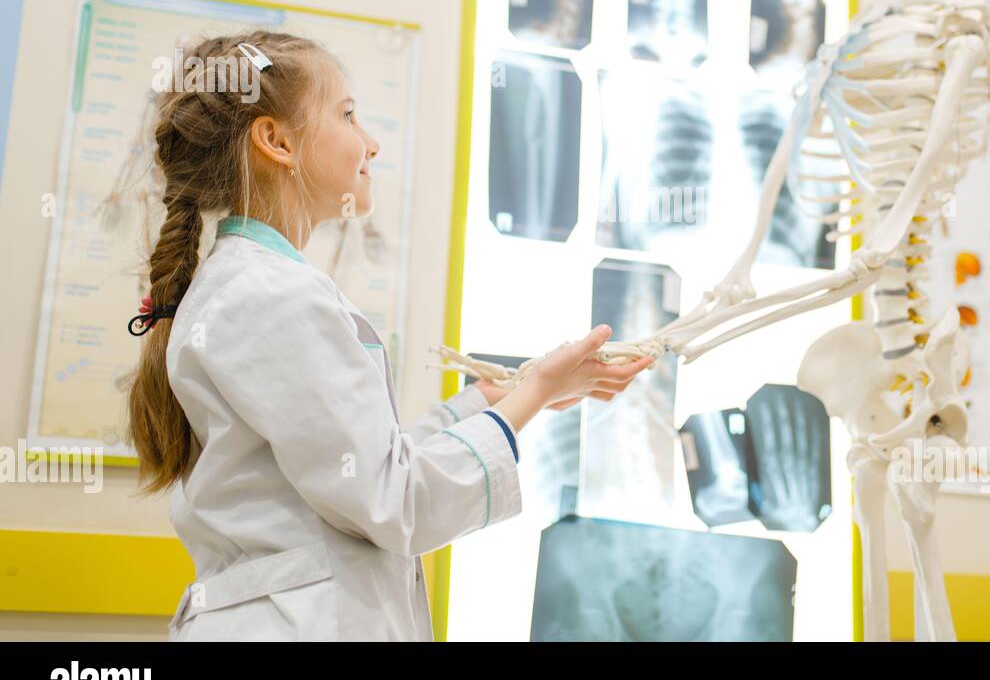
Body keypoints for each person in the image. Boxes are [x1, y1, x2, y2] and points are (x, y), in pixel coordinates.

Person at [125, 31, 654, 640]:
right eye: (348, 115)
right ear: (276, 141)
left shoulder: (253, 288)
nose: (371, 144)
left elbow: (364, 462)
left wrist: (489, 400)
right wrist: (530, 397)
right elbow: (394, 501)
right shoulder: (273, 296)